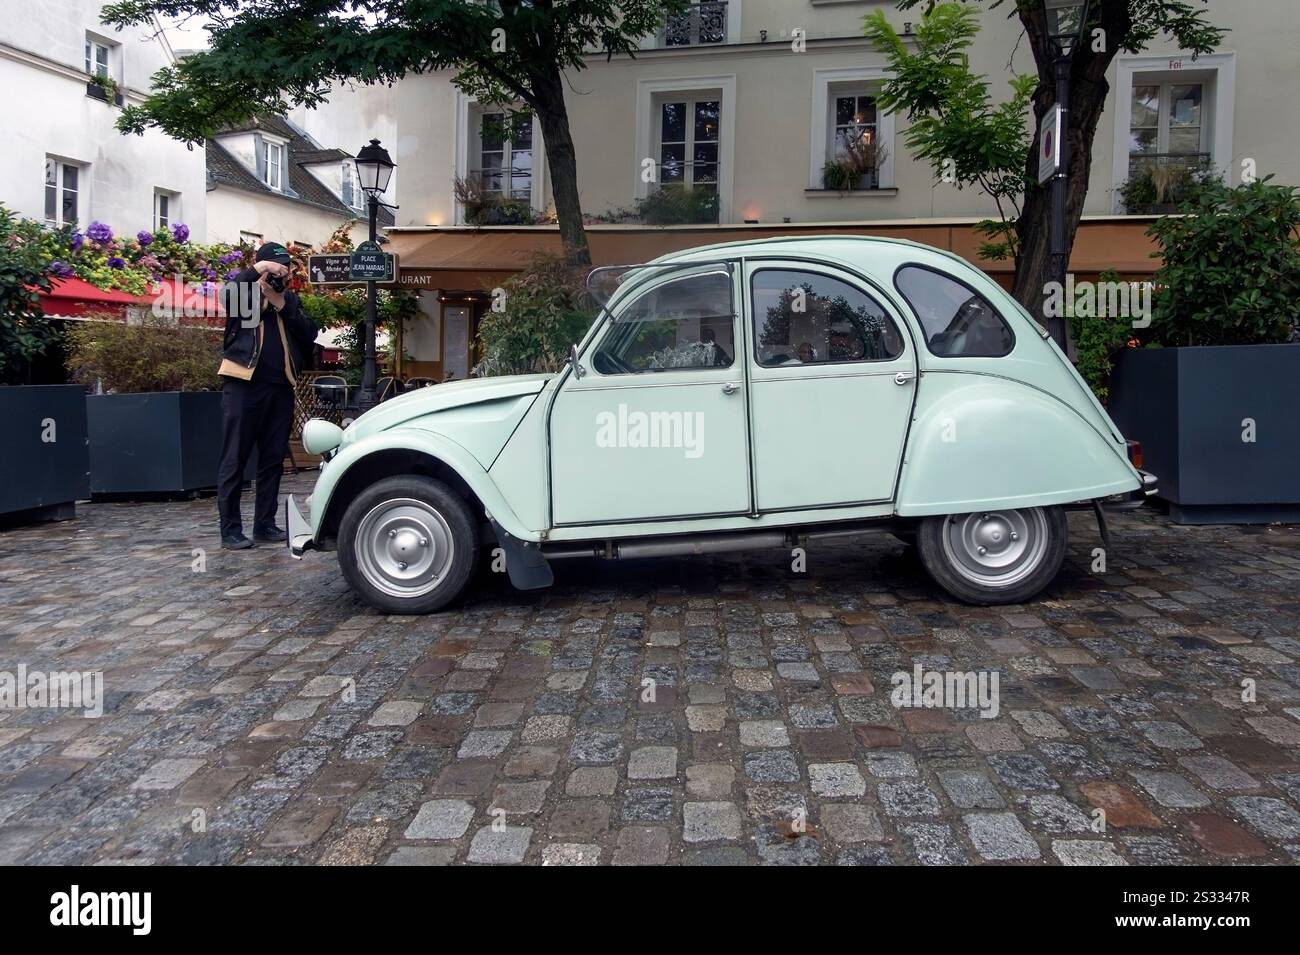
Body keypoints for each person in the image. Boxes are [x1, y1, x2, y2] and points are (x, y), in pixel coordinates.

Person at [215, 243, 317, 549]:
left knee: (273, 460)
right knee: (235, 458)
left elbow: (310, 332)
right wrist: (257, 275)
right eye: (275, 266)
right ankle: (230, 529)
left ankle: (265, 524)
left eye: (284, 267)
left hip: (281, 386)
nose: (281, 271)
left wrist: (281, 302)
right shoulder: (244, 296)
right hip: (243, 384)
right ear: (261, 267)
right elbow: (227, 296)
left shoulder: (289, 300)